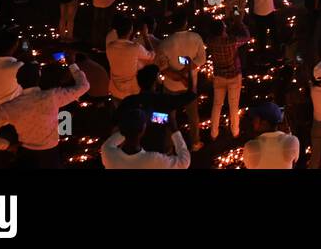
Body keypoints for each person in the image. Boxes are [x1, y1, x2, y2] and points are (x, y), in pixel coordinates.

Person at [0, 58, 90, 168]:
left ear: (18, 81)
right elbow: (84, 86)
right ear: (38, 78)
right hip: (50, 154)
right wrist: (72, 64)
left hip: (26, 154)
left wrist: (7, 146)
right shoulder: (51, 97)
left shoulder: (9, 107)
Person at [157, 9, 207, 151]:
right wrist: (186, 75)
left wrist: (179, 76)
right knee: (193, 116)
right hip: (191, 85)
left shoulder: (165, 43)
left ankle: (168, 146)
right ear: (185, 23)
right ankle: (195, 142)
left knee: (169, 116)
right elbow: (201, 59)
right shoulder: (196, 38)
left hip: (170, 86)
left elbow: (163, 68)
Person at [206, 17, 252, 140]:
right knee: (233, 105)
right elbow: (247, 37)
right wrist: (240, 22)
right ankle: (235, 131)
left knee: (217, 105)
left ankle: (213, 133)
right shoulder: (232, 42)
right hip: (234, 77)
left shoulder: (210, 41)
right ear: (222, 30)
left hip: (219, 77)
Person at [101, 106, 191, 169]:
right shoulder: (154, 160)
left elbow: (117, 137)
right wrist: (175, 130)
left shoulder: (107, 153)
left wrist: (132, 124)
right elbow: (184, 162)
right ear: (144, 129)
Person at [106, 15, 155, 102]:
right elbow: (152, 56)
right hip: (131, 92)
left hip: (114, 90)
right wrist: (145, 36)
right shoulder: (135, 47)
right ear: (131, 30)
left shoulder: (110, 47)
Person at [242, 101, 300, 169]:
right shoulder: (292, 141)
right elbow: (293, 163)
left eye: (255, 118)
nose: (253, 121)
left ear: (264, 122)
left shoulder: (250, 147)